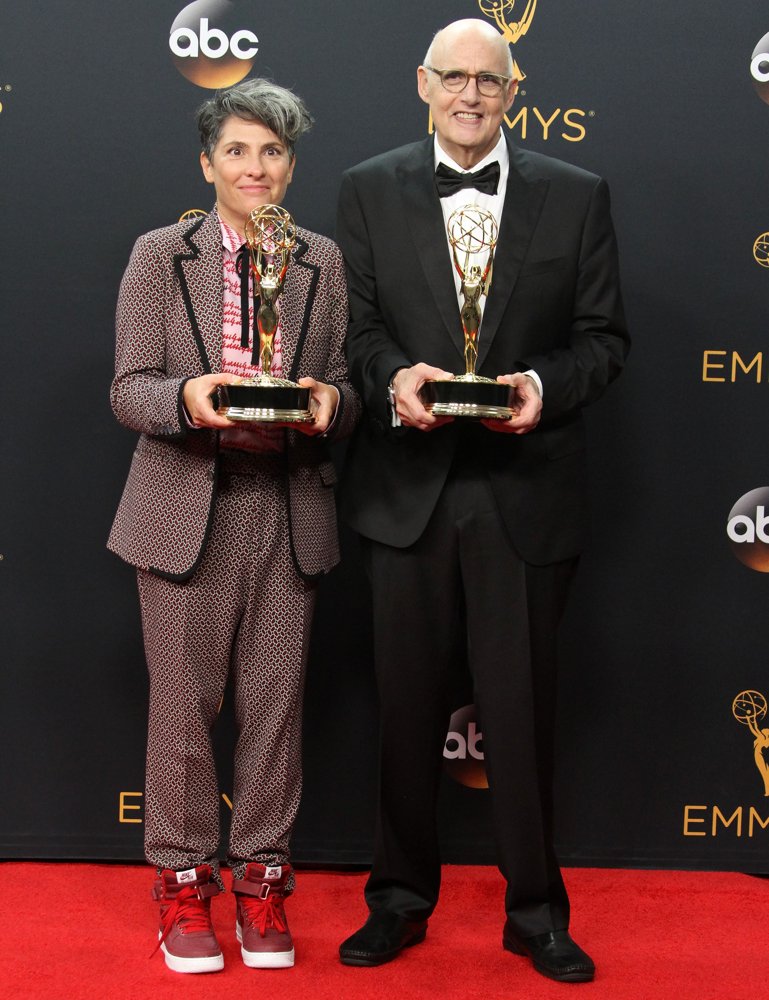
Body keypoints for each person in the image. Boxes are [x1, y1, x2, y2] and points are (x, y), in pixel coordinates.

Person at [336, 18, 629, 984]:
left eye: (487, 80)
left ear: (513, 90)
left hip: (524, 490)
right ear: (422, 84)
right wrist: (392, 381)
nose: (469, 95)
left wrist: (540, 392)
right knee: (406, 709)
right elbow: (360, 330)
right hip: (406, 490)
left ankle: (536, 912)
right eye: (452, 78)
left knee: (523, 710)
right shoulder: (366, 189)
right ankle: (397, 901)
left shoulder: (577, 195)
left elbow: (602, 340)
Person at [108, 78, 360, 975]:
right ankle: (181, 884)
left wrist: (334, 401)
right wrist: (189, 396)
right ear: (207, 163)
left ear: (291, 165)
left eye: (275, 152)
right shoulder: (157, 255)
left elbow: (341, 383)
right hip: (185, 508)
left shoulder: (322, 261)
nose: (258, 168)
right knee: (182, 713)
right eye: (240, 151)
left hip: (288, 508)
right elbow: (128, 387)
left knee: (275, 711)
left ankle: (261, 881)